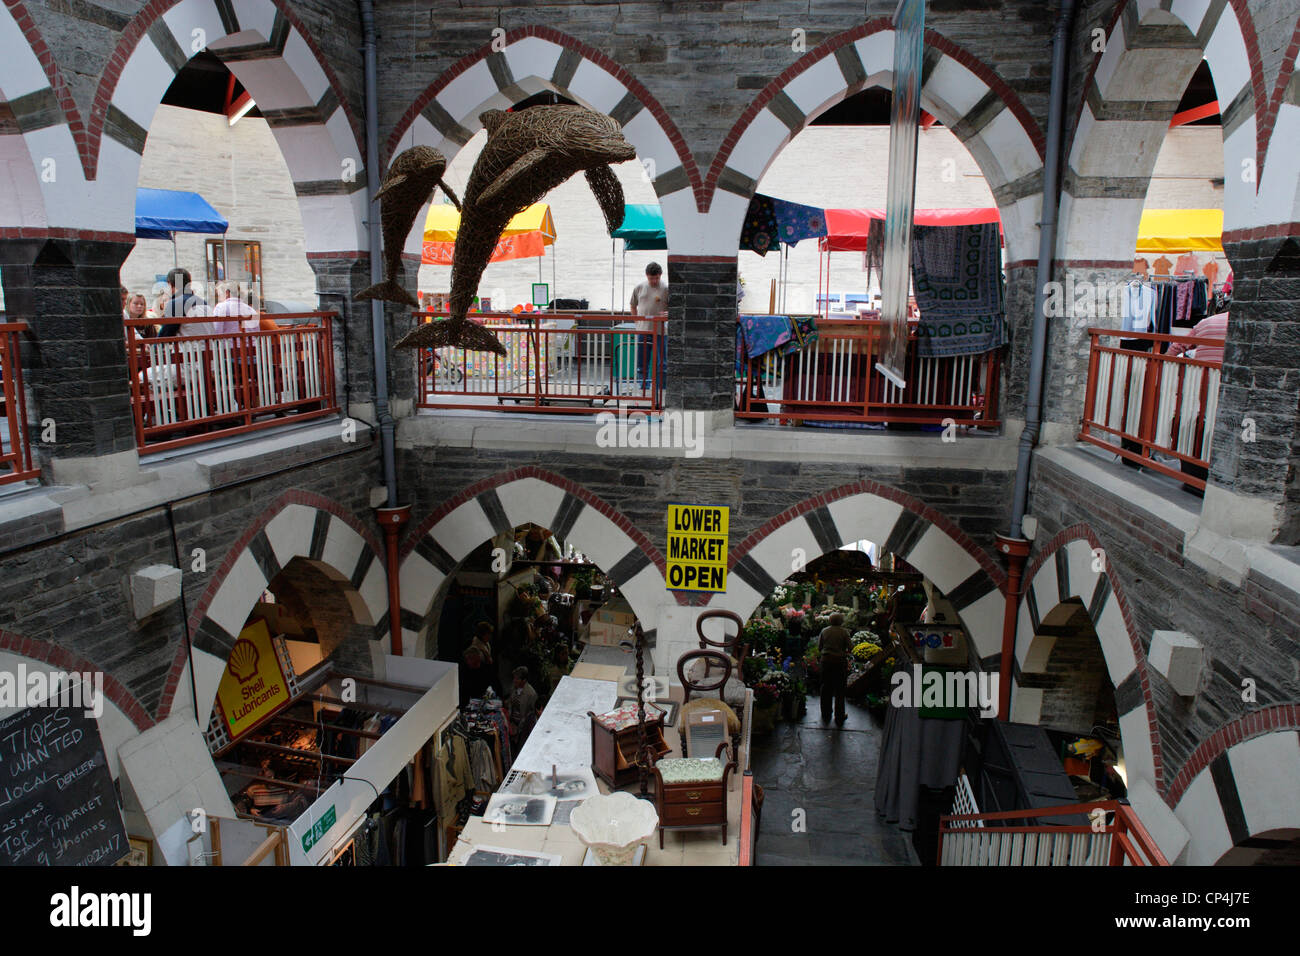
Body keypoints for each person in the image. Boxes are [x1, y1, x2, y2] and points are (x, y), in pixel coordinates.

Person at [629, 262, 668, 396]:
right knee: (642, 359)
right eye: (651, 278)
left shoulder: (666, 288)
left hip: (661, 331)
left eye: (656, 278)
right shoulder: (639, 287)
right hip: (643, 330)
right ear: (647, 276)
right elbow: (633, 305)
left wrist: (669, 313)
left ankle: (661, 386)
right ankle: (643, 386)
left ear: (660, 275)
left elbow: (675, 307)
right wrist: (636, 321)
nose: (654, 281)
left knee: (662, 361)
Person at [817, 611, 852, 724]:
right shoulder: (844, 632)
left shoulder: (824, 631)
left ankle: (826, 713)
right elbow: (851, 647)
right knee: (840, 689)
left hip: (826, 662)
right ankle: (839, 715)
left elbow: (819, 647)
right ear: (841, 621)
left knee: (826, 687)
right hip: (839, 662)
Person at [157, 268, 207, 337]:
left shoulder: (176, 303)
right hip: (211, 345)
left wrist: (153, 347)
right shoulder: (203, 302)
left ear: (170, 284)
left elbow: (165, 335)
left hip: (191, 346)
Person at [504, 665, 539, 750]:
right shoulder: (513, 688)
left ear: (524, 680)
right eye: (514, 678)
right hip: (512, 724)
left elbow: (532, 714)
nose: (514, 680)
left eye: (517, 679)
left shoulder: (531, 694)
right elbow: (509, 703)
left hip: (522, 729)